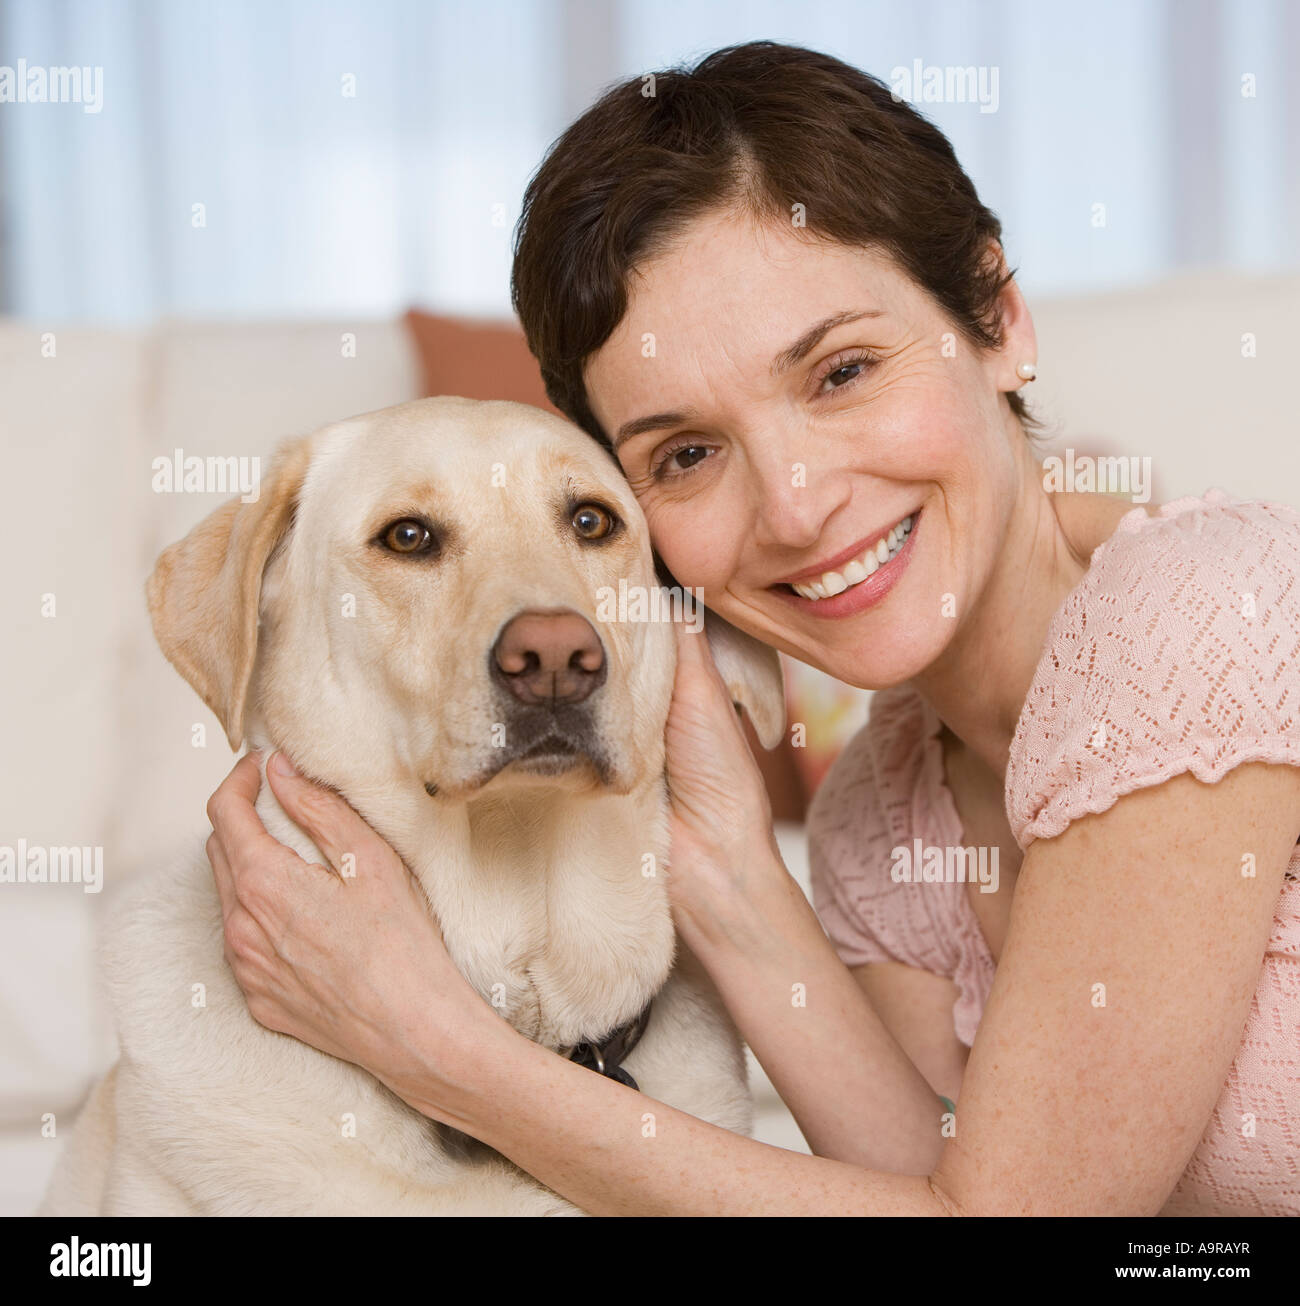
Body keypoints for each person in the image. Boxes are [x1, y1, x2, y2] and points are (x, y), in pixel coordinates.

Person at [204, 41, 1300, 1215]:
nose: (791, 504)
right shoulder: (878, 824)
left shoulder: (1190, 615)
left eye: (841, 372)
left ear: (996, 320)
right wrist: (724, 870)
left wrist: (440, 1049)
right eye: (685, 454)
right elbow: (931, 1189)